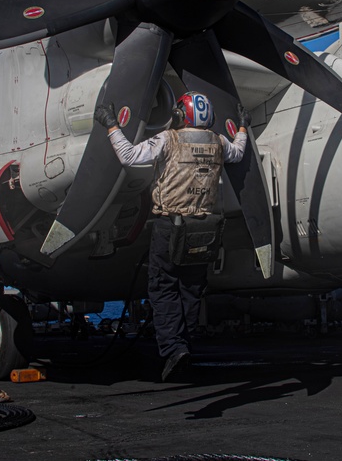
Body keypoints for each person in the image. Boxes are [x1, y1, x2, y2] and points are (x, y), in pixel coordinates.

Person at [94, 92, 248, 381]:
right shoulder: (218, 142)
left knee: (162, 289)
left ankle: (174, 349)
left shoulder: (169, 139)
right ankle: (185, 343)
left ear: (180, 115)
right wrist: (242, 127)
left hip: (171, 225)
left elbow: (129, 156)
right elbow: (238, 153)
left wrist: (111, 125)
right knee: (191, 289)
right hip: (204, 229)